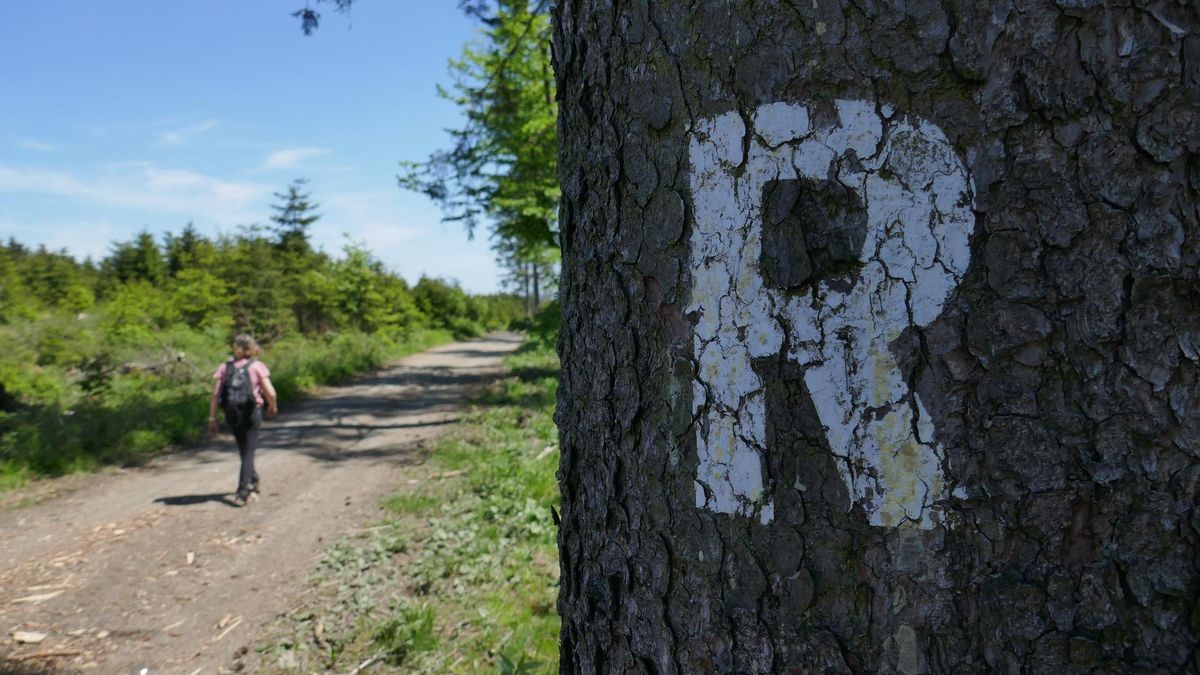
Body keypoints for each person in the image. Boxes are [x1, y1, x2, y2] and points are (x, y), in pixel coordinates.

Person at [208, 334, 278, 506]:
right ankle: (243, 490)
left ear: (236, 348)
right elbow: (270, 391)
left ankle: (253, 479)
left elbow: (216, 395)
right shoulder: (257, 366)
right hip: (252, 413)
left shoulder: (225, 367)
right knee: (248, 451)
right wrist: (272, 406)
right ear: (252, 348)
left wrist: (212, 418)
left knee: (244, 450)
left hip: (231, 413)